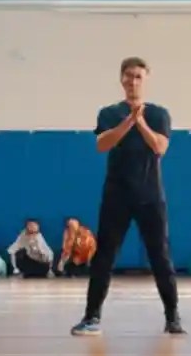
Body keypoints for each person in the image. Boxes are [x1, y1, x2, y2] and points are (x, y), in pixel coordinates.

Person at [71, 57, 183, 336]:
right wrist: (127, 122)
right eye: (129, 76)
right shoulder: (108, 113)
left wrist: (141, 122)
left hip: (150, 196)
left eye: (138, 77)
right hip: (116, 196)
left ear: (145, 79)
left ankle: (173, 318)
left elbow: (160, 148)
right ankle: (91, 317)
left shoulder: (159, 114)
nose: (133, 81)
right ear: (121, 79)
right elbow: (102, 144)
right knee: (104, 258)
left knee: (161, 257)